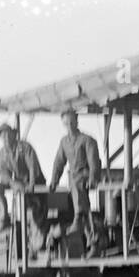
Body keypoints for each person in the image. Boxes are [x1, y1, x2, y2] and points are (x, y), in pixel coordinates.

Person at [49, 106, 102, 247]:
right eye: (66, 123)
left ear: (77, 122)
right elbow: (59, 162)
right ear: (63, 124)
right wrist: (54, 181)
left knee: (76, 183)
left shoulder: (87, 140)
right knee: (78, 198)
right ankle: (90, 237)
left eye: (72, 122)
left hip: (85, 175)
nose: (70, 126)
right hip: (74, 180)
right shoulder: (64, 142)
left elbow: (94, 162)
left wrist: (92, 178)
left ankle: (78, 218)